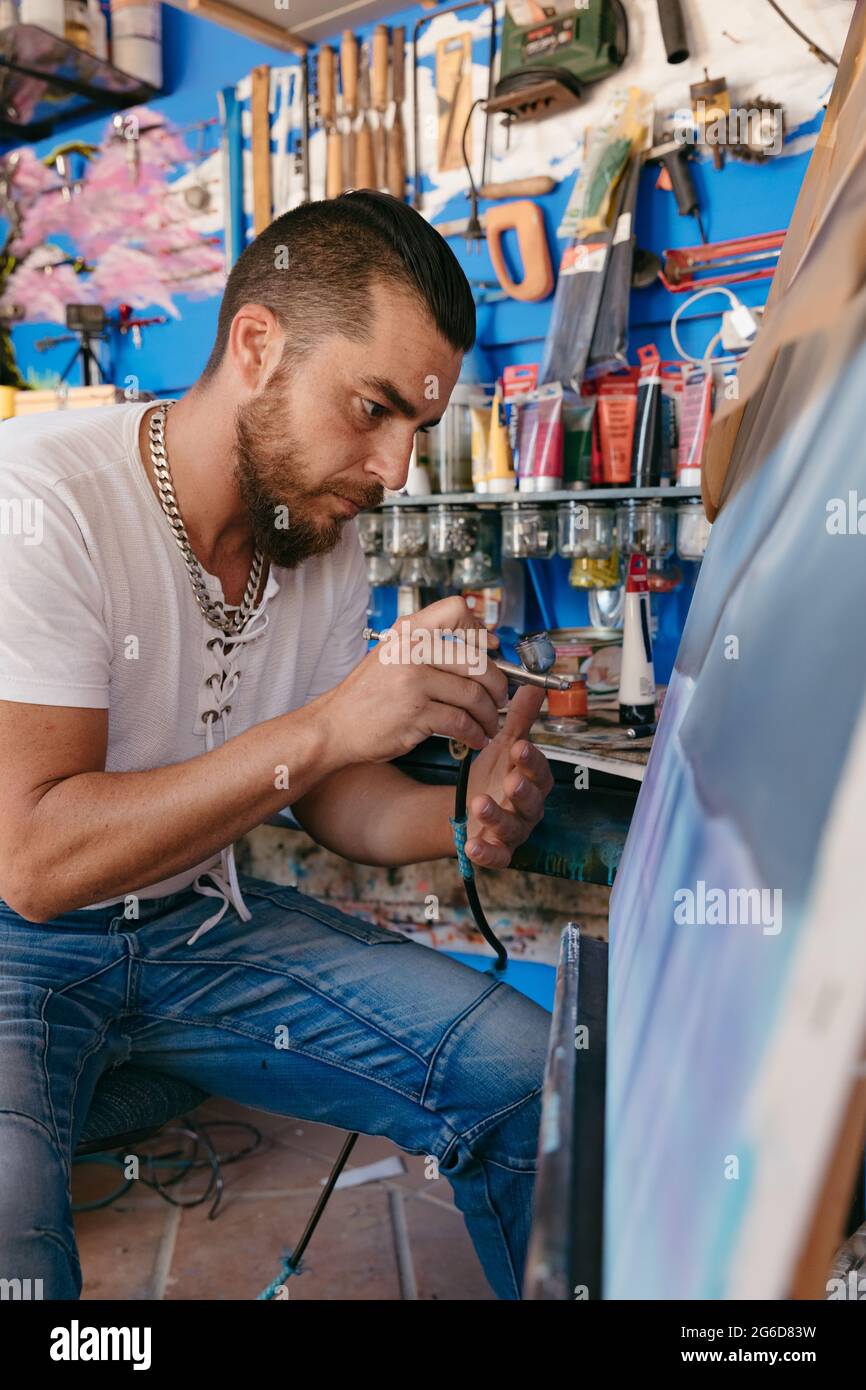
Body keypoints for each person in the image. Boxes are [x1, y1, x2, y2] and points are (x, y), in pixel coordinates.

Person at [0, 191, 554, 1301]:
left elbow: (331, 801)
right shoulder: (44, 499)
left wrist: (465, 814)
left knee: (532, 1079)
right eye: (371, 408)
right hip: (19, 940)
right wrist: (327, 724)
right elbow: (36, 860)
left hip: (198, 925)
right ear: (256, 344)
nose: (392, 469)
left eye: (417, 431)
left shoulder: (319, 532)